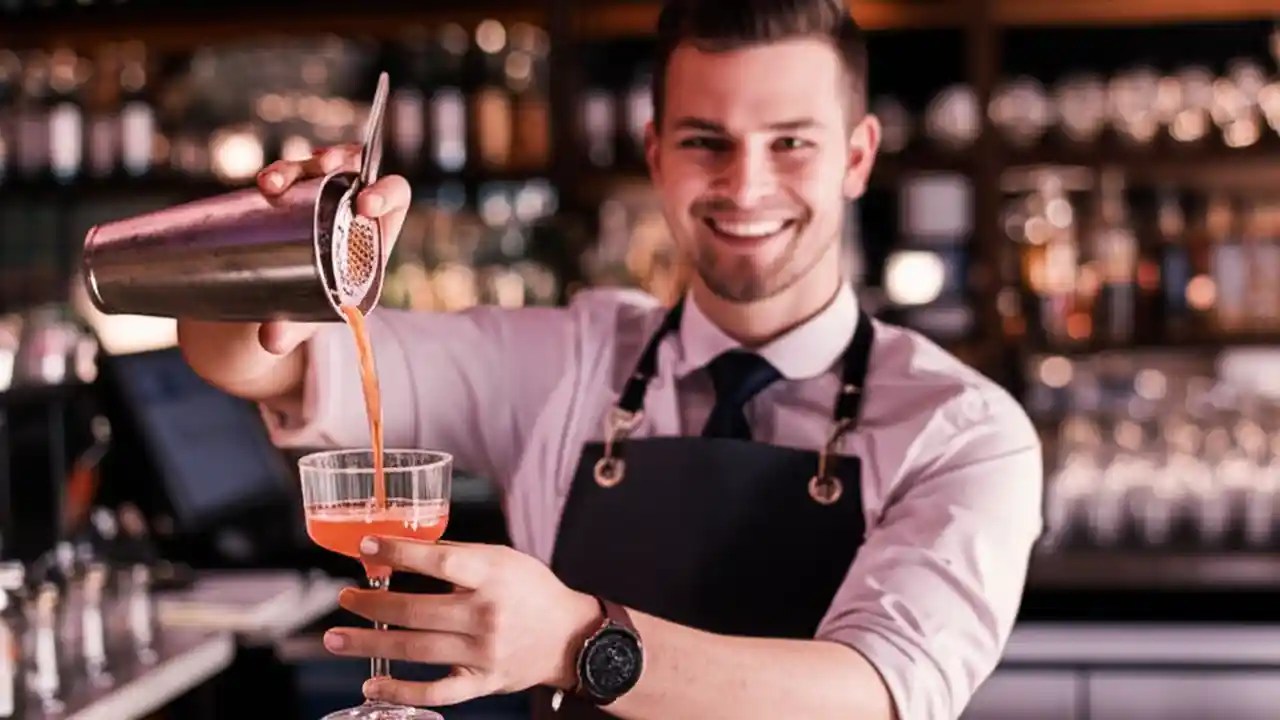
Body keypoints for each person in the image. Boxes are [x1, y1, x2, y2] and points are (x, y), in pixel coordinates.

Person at [179, 0, 1044, 718]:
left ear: (856, 157)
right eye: (707, 141)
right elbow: (253, 364)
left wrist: (576, 643)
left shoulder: (960, 428)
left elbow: (878, 692)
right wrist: (281, 256)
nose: (745, 186)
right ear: (656, 154)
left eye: (790, 143)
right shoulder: (565, 359)